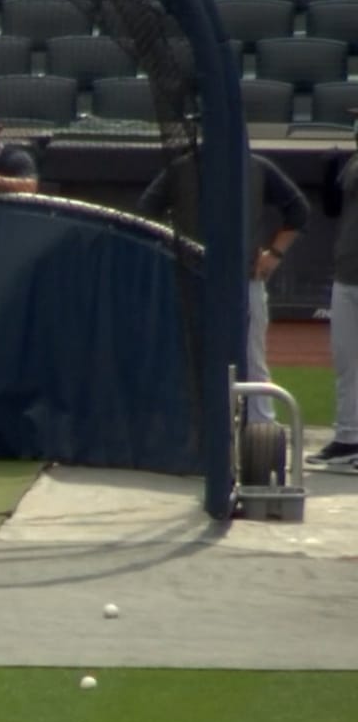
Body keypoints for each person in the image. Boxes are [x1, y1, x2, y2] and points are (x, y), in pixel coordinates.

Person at [137, 149, 308, 426]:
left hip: (238, 279)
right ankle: (187, 424)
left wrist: (274, 255)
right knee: (190, 355)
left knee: (250, 358)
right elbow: (145, 211)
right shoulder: (184, 168)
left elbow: (298, 210)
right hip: (195, 277)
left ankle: (259, 427)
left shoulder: (254, 167)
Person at [309, 121, 358, 469]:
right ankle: (348, 437)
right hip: (347, 273)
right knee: (346, 361)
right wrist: (330, 174)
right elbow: (332, 208)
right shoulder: (353, 164)